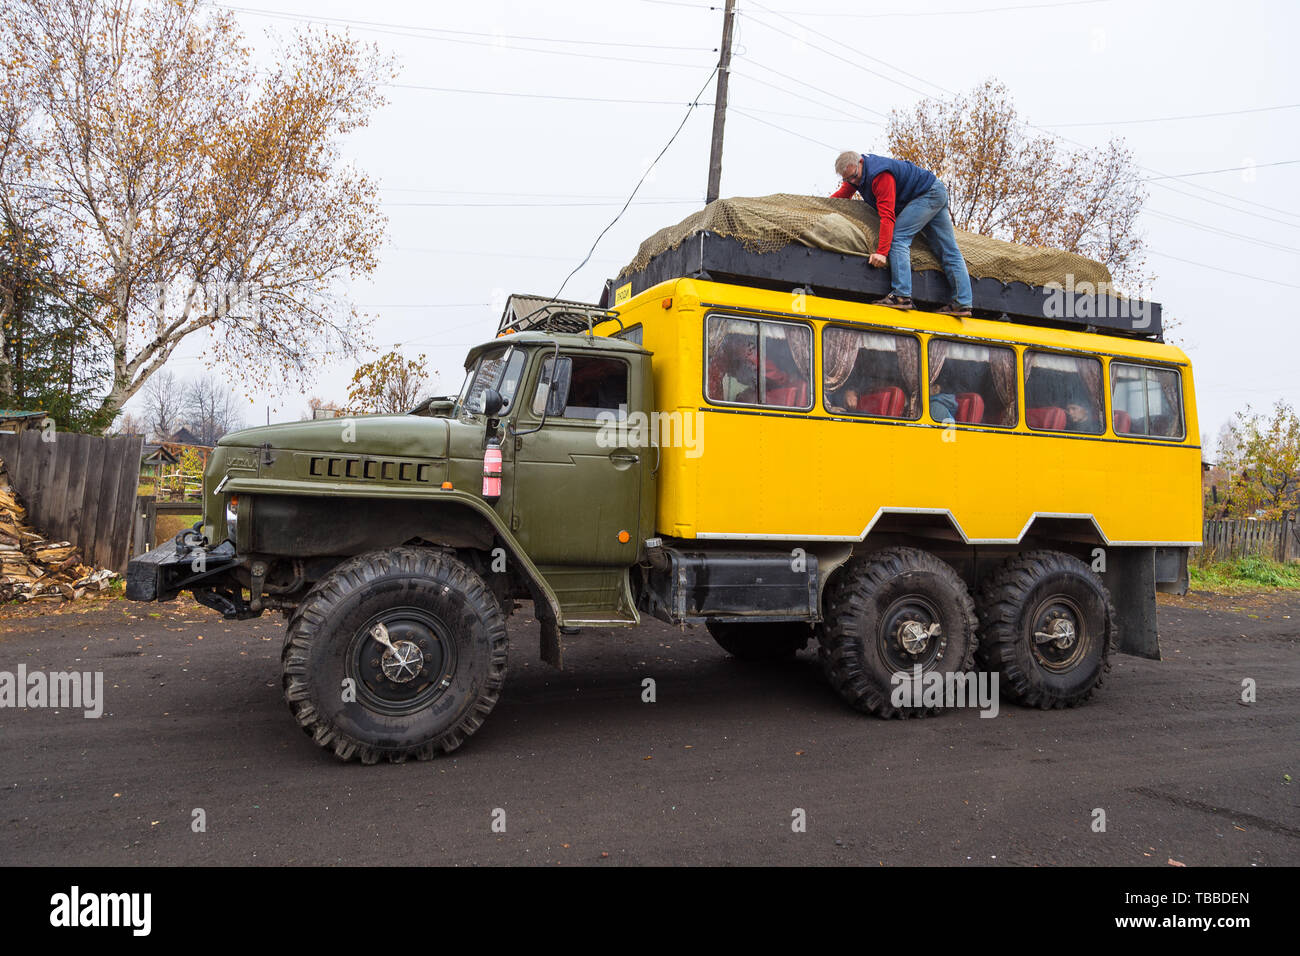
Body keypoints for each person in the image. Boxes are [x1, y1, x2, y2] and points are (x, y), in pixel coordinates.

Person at [831, 151, 973, 317]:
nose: (853, 182)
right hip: (935, 190)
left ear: (860, 162)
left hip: (928, 194)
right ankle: (962, 303)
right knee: (948, 250)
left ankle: (901, 296)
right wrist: (822, 206)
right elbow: (842, 196)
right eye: (847, 179)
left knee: (899, 238)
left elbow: (887, 216)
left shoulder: (880, 175)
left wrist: (882, 253)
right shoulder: (855, 174)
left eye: (854, 177)